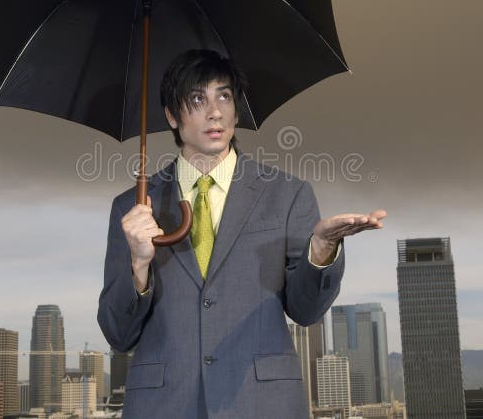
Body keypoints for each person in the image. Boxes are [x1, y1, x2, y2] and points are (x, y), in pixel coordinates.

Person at [97, 49, 386, 419]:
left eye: (224, 96)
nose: (214, 111)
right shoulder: (132, 209)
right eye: (197, 99)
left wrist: (322, 249)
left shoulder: (287, 194)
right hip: (163, 406)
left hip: (262, 404)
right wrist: (139, 265)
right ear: (171, 115)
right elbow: (118, 333)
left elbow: (306, 310)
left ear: (236, 110)